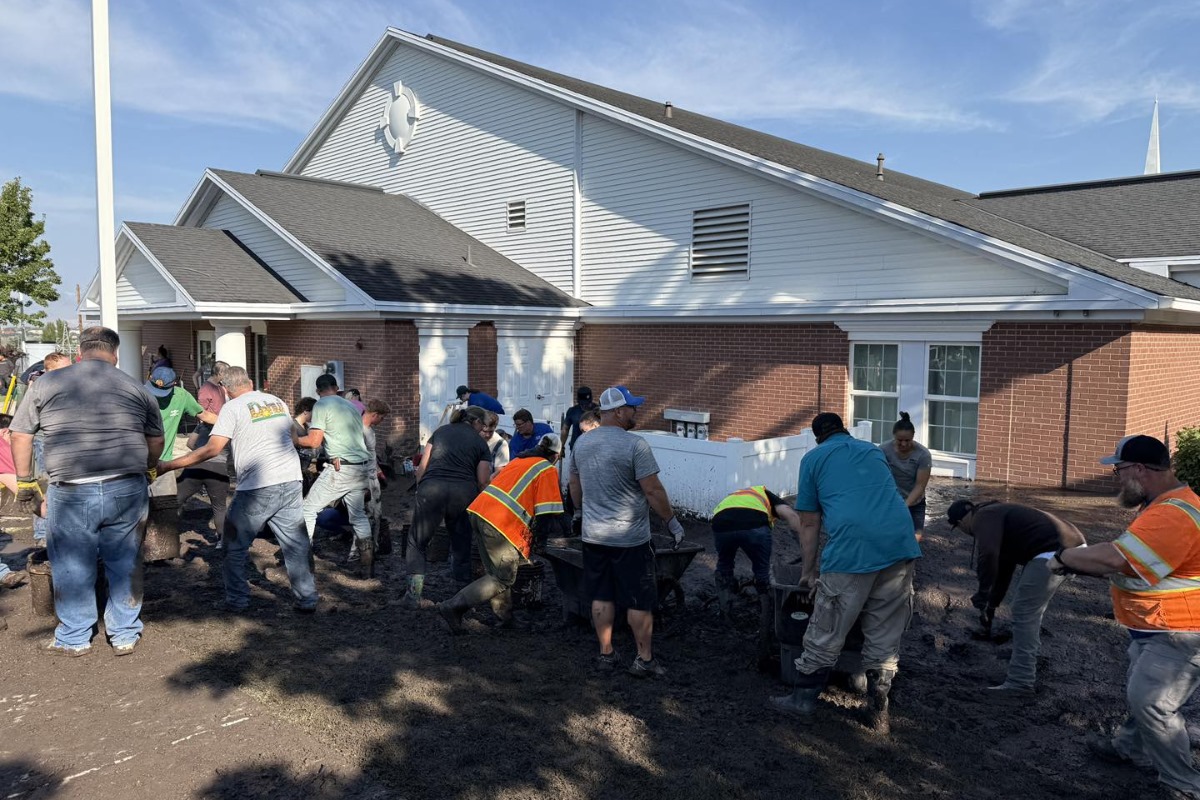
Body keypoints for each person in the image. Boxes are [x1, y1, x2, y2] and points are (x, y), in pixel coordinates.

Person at [1050, 435, 1200, 799]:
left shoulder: (1172, 514)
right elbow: (1142, 564)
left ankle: (1182, 785)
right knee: (1141, 693)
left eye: (1118, 469)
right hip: (1156, 627)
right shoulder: (1167, 505)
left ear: (1138, 469)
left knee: (1153, 704)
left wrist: (1064, 559)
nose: (1116, 477)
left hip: (1180, 631)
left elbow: (1118, 559)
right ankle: (1131, 748)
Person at [10, 326, 164, 656]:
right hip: (126, 487)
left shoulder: (46, 384)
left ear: (81, 352)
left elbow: (19, 435)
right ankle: (124, 633)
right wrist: (150, 468)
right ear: (115, 354)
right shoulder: (136, 388)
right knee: (125, 561)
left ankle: (75, 637)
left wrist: (25, 483)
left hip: (71, 490)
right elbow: (156, 439)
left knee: (71, 562)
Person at [771, 412, 921, 733]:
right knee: (883, 631)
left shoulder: (814, 459)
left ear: (818, 437)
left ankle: (802, 701)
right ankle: (878, 713)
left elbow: (809, 522)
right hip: (900, 541)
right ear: (844, 430)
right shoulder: (871, 451)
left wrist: (809, 572)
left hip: (854, 547)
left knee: (827, 623)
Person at [160, 367, 318, 613]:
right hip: (290, 480)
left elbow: (212, 449)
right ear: (251, 382)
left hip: (257, 487)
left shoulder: (232, 409)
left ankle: (237, 600)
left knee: (233, 545)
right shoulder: (276, 401)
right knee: (295, 545)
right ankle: (307, 598)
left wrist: (169, 465)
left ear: (225, 388)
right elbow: (293, 438)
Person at [569, 385, 684, 679]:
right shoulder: (635, 445)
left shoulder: (582, 444)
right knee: (639, 600)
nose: (636, 412)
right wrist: (671, 522)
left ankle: (606, 654)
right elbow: (653, 490)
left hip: (593, 536)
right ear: (618, 412)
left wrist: (580, 512)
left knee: (601, 596)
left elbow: (574, 484)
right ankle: (644, 659)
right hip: (629, 540)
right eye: (632, 407)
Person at [947, 499, 1085, 698]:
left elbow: (988, 555)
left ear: (960, 522)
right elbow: (1004, 570)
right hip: (1072, 547)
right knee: (1030, 610)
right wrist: (990, 605)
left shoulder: (982, 517)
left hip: (1055, 552)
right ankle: (1029, 661)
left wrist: (982, 593)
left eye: (959, 528)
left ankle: (1020, 681)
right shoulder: (997, 515)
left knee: (1024, 612)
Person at [436, 433, 564, 632]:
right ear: (556, 456)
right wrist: (540, 542)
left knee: (495, 573)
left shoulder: (519, 461)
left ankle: (504, 617)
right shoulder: (547, 469)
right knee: (503, 577)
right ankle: (453, 606)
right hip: (500, 522)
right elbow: (546, 512)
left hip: (479, 512)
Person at [404, 406, 492, 606]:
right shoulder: (480, 443)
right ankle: (461, 598)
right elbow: (483, 481)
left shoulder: (440, 432)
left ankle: (413, 596)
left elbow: (422, 467)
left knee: (417, 542)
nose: (483, 429)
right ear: (476, 422)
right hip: (463, 495)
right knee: (461, 545)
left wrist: (420, 488)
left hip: (432, 491)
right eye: (483, 424)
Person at [297, 374, 375, 572]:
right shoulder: (350, 405)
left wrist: (294, 440)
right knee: (358, 515)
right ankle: (367, 566)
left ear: (317, 391)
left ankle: (305, 561)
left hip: (342, 467)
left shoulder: (321, 406)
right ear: (336, 387)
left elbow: (314, 441)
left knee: (308, 509)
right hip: (361, 466)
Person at [29, 352, 70, 546]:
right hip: (44, 442)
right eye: (66, 368)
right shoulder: (40, 388)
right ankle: (42, 534)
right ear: (50, 370)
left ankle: (61, 530)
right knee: (46, 485)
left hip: (65, 441)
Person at [144, 366, 218, 472]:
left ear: (174, 384)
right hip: (137, 461)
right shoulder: (139, 394)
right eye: (155, 389)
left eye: (163, 391)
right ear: (150, 379)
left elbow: (205, 415)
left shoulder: (181, 396)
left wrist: (231, 423)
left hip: (163, 462)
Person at [878, 412, 932, 542]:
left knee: (914, 539)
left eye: (907, 440)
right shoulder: (883, 450)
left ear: (913, 436)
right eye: (899, 440)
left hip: (915, 501)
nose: (903, 444)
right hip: (890, 500)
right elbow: (877, 478)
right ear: (894, 436)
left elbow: (920, 485)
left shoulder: (923, 454)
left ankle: (910, 558)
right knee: (888, 535)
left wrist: (904, 505)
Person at [176, 421, 230, 546]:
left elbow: (190, 443)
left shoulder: (202, 424)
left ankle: (170, 533)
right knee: (219, 507)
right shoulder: (228, 426)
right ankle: (222, 541)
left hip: (196, 465)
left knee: (175, 500)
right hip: (218, 468)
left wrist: (199, 452)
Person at [563, 409, 601, 536]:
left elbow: (574, 481)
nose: (583, 435)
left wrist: (578, 509)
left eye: (585, 431)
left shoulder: (583, 444)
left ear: (596, 425)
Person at [561, 386, 597, 451]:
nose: (585, 406)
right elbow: (565, 429)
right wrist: (561, 446)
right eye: (582, 404)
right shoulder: (572, 411)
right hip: (576, 447)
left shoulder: (598, 410)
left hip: (594, 447)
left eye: (588, 403)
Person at [482, 410, 510, 477]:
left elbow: (499, 472)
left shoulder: (501, 444)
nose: (487, 435)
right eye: (485, 431)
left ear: (495, 428)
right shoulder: (473, 437)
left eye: (491, 431)